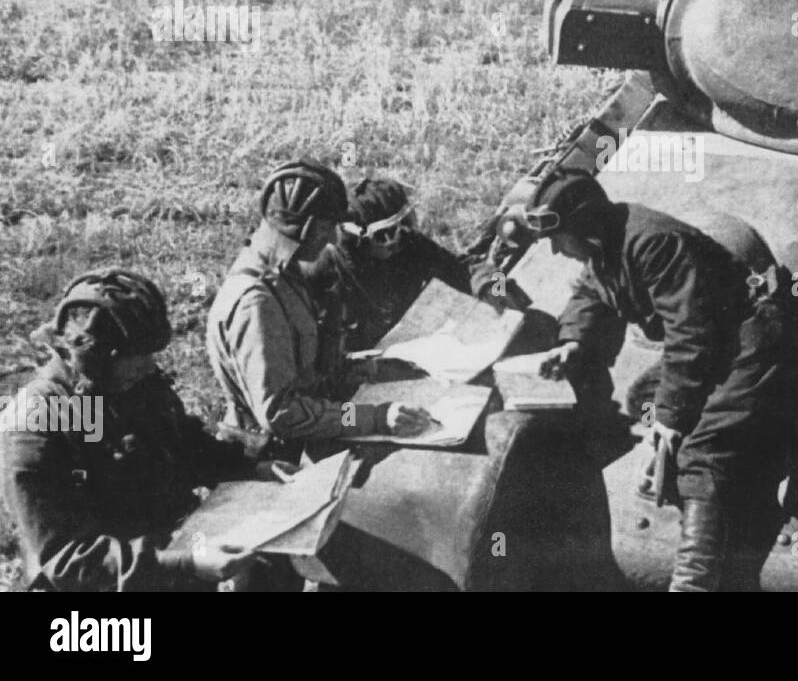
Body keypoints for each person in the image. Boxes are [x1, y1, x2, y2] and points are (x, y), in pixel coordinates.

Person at [524, 170, 798, 591]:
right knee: (646, 402)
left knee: (700, 449)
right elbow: (591, 294)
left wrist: (671, 421)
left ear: (583, 226)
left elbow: (690, 336)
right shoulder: (606, 246)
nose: (556, 250)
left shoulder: (653, 243)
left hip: (750, 346)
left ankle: (693, 583)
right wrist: (572, 343)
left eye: (558, 237)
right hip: (717, 345)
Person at [1, 268, 272, 591]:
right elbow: (67, 560)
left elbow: (182, 446)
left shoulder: (126, 385)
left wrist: (251, 467)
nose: (150, 366)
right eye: (137, 357)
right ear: (97, 357)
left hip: (170, 562)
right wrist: (187, 563)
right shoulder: (44, 420)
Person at [206, 160, 431, 457]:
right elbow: (281, 414)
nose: (333, 239)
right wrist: (373, 417)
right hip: (276, 457)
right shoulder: (257, 303)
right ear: (308, 227)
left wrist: (360, 368)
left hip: (304, 434)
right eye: (327, 228)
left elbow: (308, 373)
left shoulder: (283, 275)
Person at [338, 177, 474, 351]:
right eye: (383, 234)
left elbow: (464, 269)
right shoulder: (336, 267)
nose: (396, 239)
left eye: (404, 223)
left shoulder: (409, 245)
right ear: (359, 238)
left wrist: (496, 286)